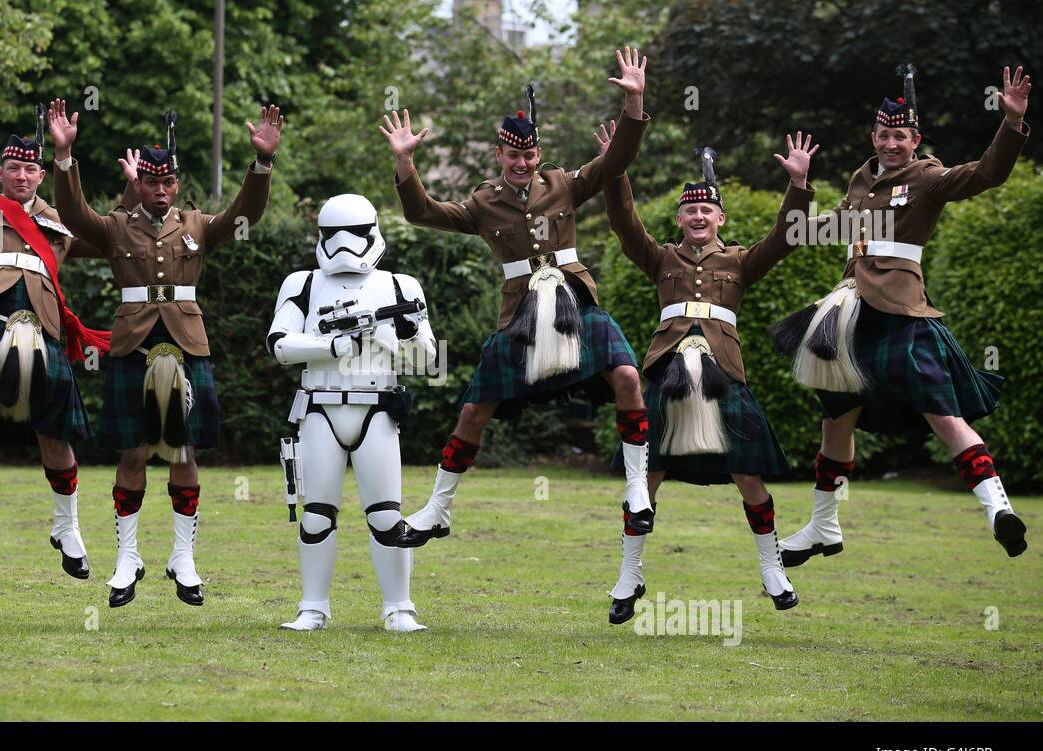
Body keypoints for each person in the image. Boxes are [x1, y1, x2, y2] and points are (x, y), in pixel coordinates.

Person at [381, 48, 654, 549]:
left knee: (628, 376)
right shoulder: (482, 202)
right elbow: (422, 212)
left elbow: (618, 158)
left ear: (537, 152)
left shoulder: (565, 183)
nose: (524, 163)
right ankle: (437, 510)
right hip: (520, 315)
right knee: (473, 412)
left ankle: (637, 488)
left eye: (530, 155)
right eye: (515, 156)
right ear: (499, 156)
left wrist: (633, 103)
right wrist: (405, 161)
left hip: (574, 299)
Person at [772, 65, 1031, 565]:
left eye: (901, 136)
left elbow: (986, 173)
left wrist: (1012, 123)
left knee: (944, 415)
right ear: (874, 136)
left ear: (915, 141)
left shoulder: (928, 178)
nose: (891, 144)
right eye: (884, 135)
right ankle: (824, 526)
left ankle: (998, 509)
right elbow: (803, 232)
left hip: (901, 315)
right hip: (847, 319)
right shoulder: (861, 180)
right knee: (836, 422)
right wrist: (800, 185)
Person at [49, 98, 282, 608]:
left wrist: (262, 163)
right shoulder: (115, 226)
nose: (159, 190)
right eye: (151, 182)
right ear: (141, 184)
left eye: (167, 183)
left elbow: (246, 214)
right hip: (133, 343)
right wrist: (65, 159)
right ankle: (128, 557)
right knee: (133, 451)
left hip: (185, 342)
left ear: (177, 184)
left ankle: (184, 556)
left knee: (183, 451)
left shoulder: (197, 224)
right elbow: (72, 215)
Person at [602, 135, 819, 621]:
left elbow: (786, 237)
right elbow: (623, 222)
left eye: (707, 212)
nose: (698, 218)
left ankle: (773, 568)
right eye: (689, 212)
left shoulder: (741, 261)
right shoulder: (659, 258)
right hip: (666, 374)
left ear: (720, 218)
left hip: (723, 374)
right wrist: (615, 168)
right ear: (679, 219)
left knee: (748, 477)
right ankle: (628, 575)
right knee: (647, 477)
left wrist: (799, 185)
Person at [0, 80, 117, 592]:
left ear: (40, 173)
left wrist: (65, 154)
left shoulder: (60, 223)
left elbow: (107, 232)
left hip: (43, 333)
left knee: (53, 433)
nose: (21, 175)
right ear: (1, 172)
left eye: (30, 168)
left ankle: (67, 527)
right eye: (13, 167)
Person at [269, 193, 438, 632]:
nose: (344, 245)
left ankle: (399, 607)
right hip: (320, 408)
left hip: (377, 408)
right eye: (333, 235)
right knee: (317, 513)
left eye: (355, 234)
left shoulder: (401, 287)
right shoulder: (302, 284)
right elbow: (280, 345)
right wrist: (331, 345)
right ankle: (313, 606)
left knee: (386, 514)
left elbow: (426, 360)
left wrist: (391, 335)